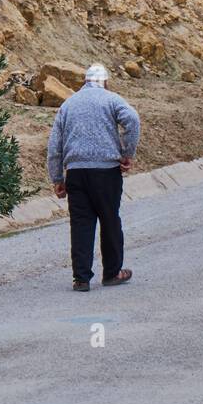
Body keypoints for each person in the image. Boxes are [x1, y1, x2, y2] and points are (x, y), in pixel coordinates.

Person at [46, 64, 141, 292]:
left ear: (85, 81)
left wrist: (57, 178)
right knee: (110, 220)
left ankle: (81, 279)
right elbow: (133, 120)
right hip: (106, 172)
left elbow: (54, 146)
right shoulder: (111, 99)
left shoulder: (68, 104)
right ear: (105, 81)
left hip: (76, 174)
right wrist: (127, 153)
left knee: (81, 225)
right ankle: (112, 273)